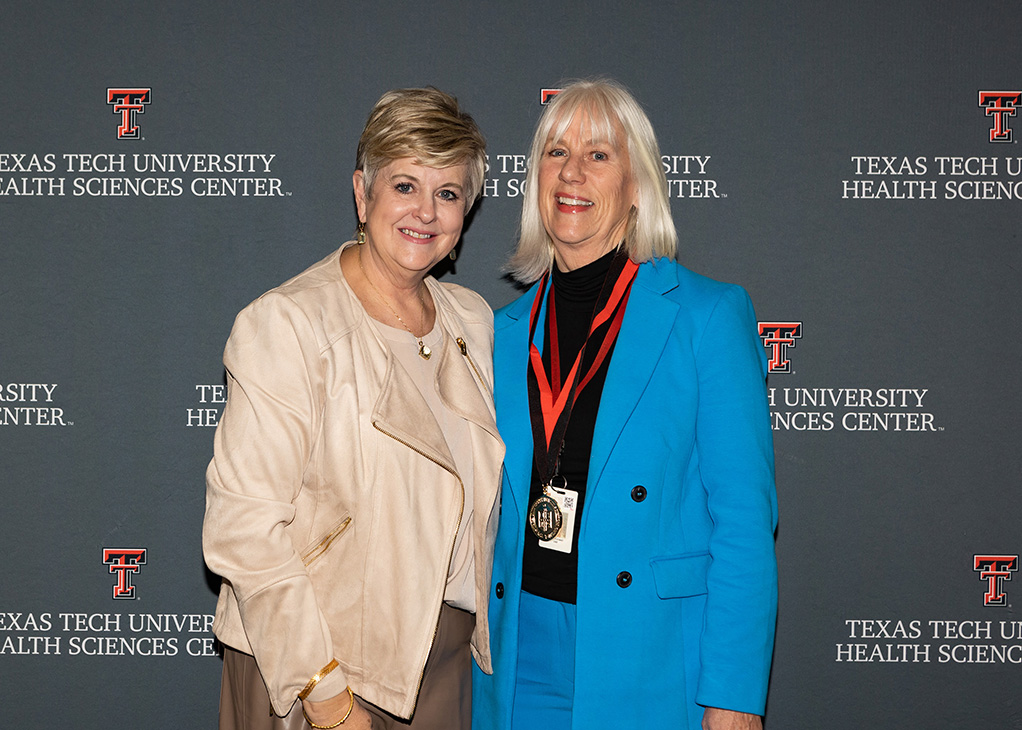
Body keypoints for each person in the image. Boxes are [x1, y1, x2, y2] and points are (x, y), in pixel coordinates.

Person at [472, 79, 778, 730]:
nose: (572, 172)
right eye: (555, 152)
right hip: (519, 653)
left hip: (651, 654)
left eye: (599, 154)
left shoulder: (707, 317)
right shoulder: (496, 334)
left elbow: (745, 523)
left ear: (637, 185)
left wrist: (735, 695)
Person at [203, 87, 504, 730]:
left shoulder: (472, 322)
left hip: (442, 669)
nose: (425, 211)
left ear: (465, 214)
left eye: (447, 193)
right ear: (363, 195)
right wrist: (328, 699)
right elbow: (244, 529)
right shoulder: (287, 324)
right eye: (405, 186)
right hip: (311, 673)